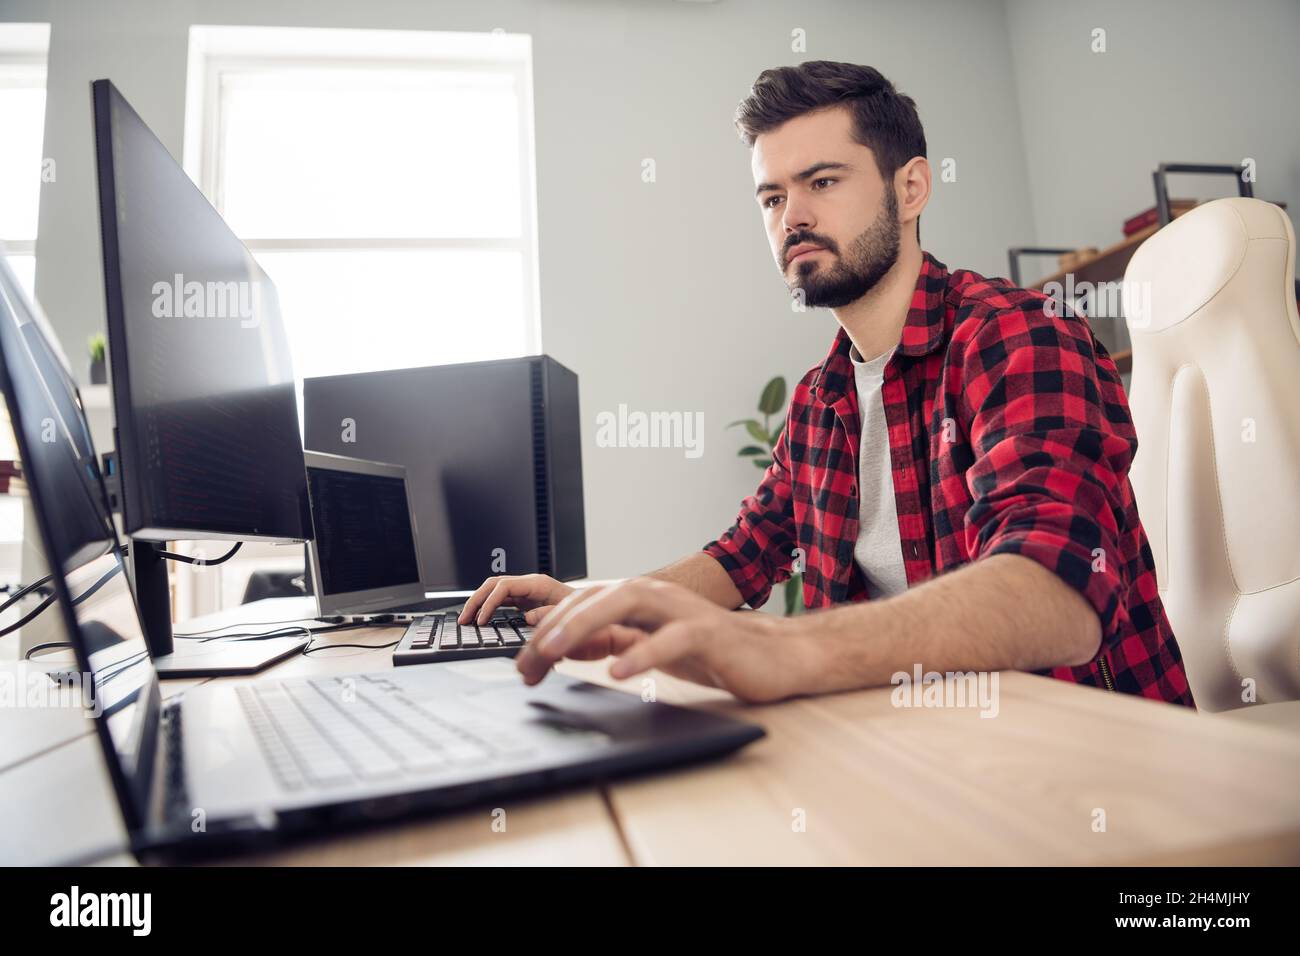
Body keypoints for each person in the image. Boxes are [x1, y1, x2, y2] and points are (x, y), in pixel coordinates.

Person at [461, 61, 1194, 708]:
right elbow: (745, 552)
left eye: (821, 182)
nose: (794, 217)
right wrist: (596, 602)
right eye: (772, 197)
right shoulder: (822, 398)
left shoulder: (1014, 335)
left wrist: (786, 651)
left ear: (910, 189)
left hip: (1084, 763)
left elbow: (1054, 595)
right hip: (904, 747)